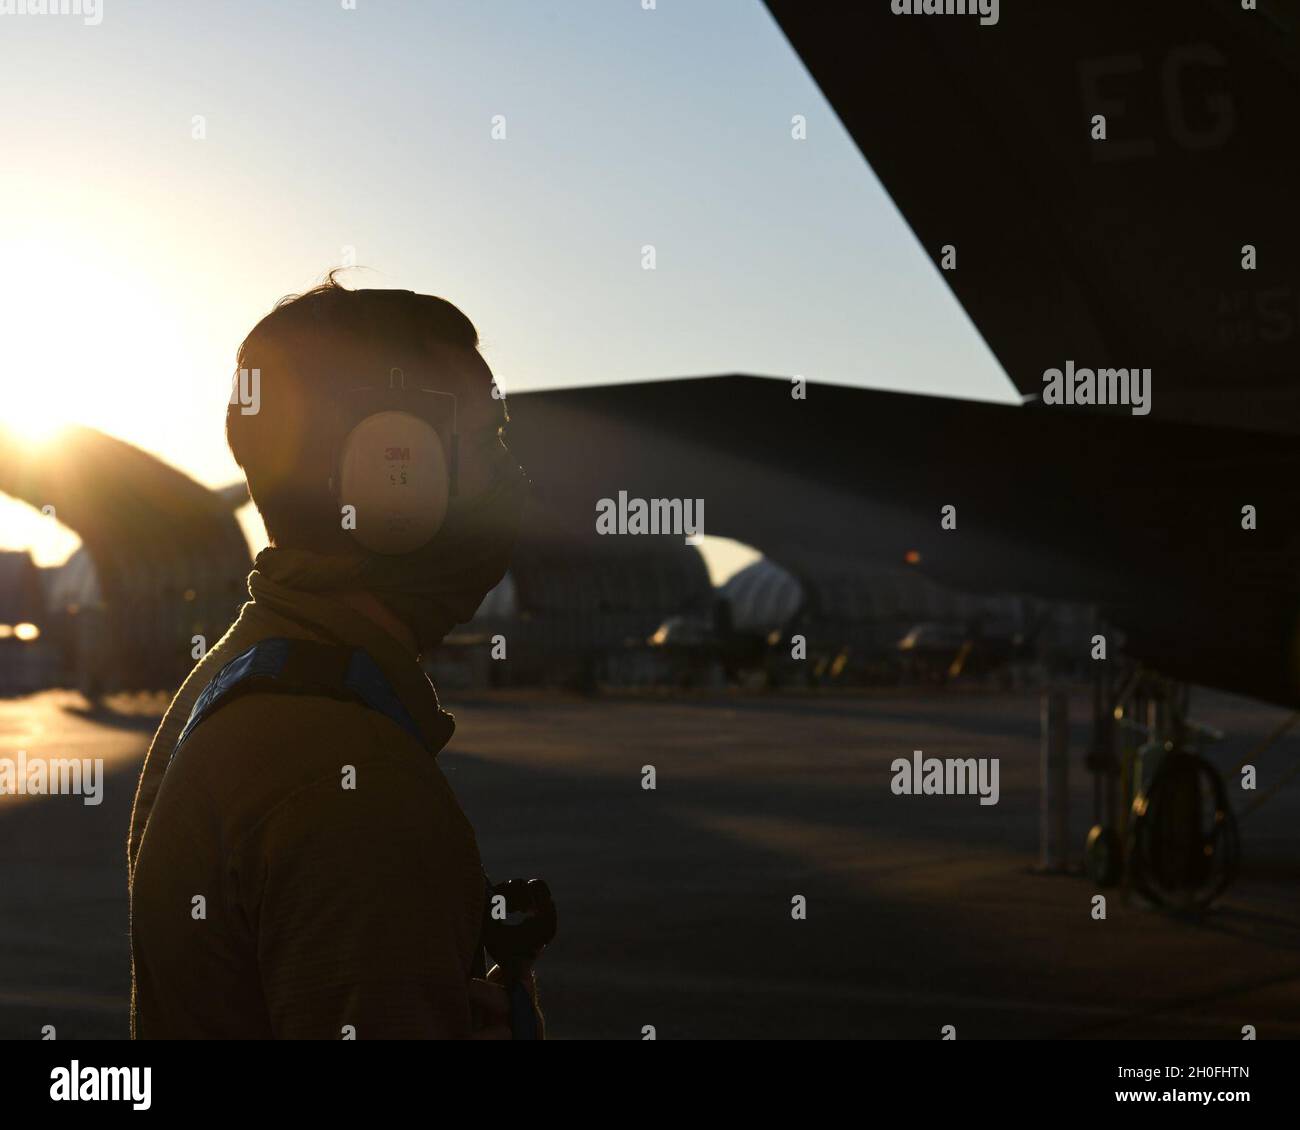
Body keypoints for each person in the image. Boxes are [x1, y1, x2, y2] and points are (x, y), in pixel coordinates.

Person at [127, 275, 537, 1038]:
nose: (509, 479)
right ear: (392, 471)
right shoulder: (354, 781)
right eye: (485, 443)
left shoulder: (237, 677)